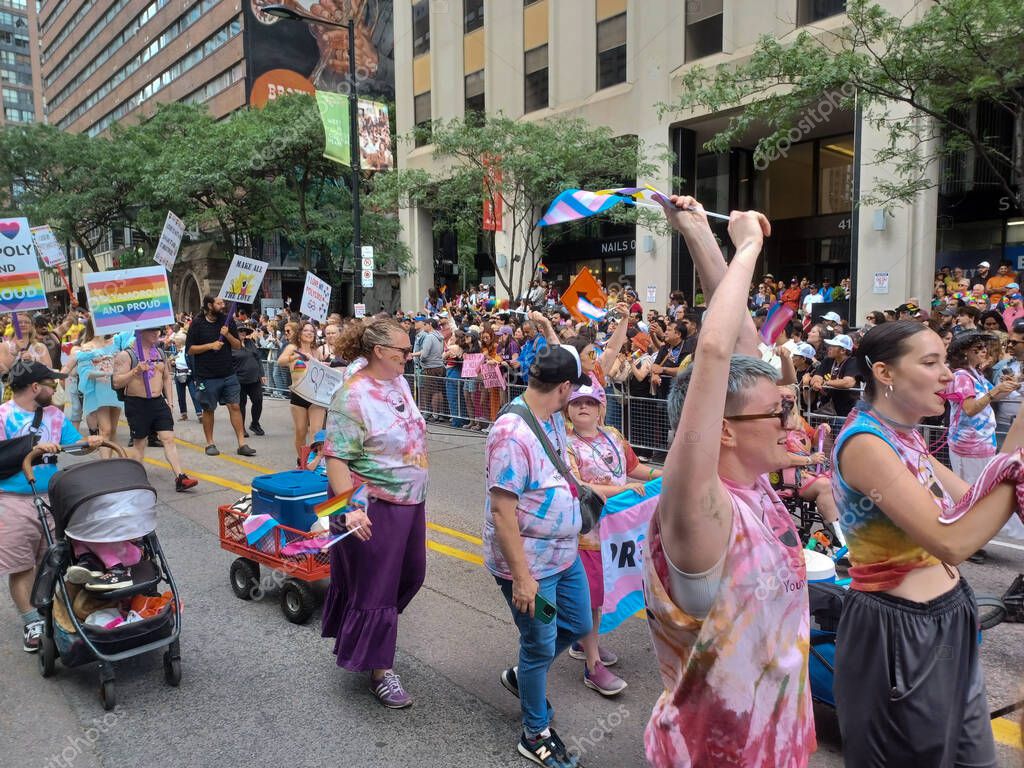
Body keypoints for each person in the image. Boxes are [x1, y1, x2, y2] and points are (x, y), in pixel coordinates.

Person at [644, 197, 815, 766]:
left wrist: (695, 232)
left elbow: (742, 345)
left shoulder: (753, 484)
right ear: (721, 431)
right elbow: (715, 352)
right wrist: (748, 247)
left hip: (780, 740)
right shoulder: (700, 512)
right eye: (778, 414)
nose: (791, 426)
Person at [830, 320, 1024, 765]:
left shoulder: (907, 435)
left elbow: (977, 499)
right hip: (899, 631)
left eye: (946, 362)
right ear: (886, 373)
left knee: (974, 760)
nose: (948, 376)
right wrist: (1016, 473)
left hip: (952, 616)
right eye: (931, 362)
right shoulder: (865, 443)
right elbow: (951, 543)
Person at [485, 344, 594, 768]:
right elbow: (501, 510)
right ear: (564, 387)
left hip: (563, 556)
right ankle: (535, 733)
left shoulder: (550, 417)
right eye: (576, 389)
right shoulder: (512, 434)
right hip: (532, 567)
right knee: (539, 643)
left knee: (580, 623)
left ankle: (521, 677)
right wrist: (523, 578)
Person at [321, 318, 428, 709]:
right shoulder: (352, 395)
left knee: (413, 574)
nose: (409, 356)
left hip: (412, 501)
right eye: (403, 350)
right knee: (380, 588)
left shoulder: (397, 381)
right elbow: (334, 458)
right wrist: (348, 509)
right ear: (380, 352)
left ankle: (370, 627)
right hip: (373, 506)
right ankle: (381, 671)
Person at [565, 384, 660, 698]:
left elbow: (634, 468)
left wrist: (662, 474)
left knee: (605, 592)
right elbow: (578, 487)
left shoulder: (614, 436)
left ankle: (583, 641)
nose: (584, 408)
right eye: (577, 402)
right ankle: (593, 667)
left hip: (619, 533)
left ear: (601, 408)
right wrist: (623, 491)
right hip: (588, 535)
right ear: (567, 409)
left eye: (591, 402)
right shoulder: (565, 445)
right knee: (592, 598)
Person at [0, 362, 102, 652]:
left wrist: (90, 443)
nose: (56, 389)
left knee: (52, 559)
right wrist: (33, 448)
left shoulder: (55, 416)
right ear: (35, 387)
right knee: (21, 565)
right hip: (12, 499)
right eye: (51, 384)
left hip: (52, 498)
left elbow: (75, 444)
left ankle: (53, 610)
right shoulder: (4, 415)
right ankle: (31, 620)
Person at [111, 328, 198, 492]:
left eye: (157, 330)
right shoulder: (126, 355)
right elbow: (117, 382)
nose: (156, 333)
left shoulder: (159, 352)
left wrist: (170, 402)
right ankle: (135, 479)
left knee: (168, 439)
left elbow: (166, 377)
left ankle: (180, 477)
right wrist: (135, 371)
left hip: (158, 402)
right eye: (151, 331)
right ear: (140, 333)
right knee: (139, 444)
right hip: (137, 403)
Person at [184, 295, 256, 457]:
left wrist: (228, 334)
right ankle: (210, 443)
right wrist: (211, 346)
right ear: (210, 305)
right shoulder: (197, 323)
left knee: (235, 406)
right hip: (207, 376)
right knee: (208, 409)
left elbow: (238, 345)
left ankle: (242, 443)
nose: (223, 306)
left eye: (223, 303)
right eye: (219, 303)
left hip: (228, 374)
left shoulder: (227, 320)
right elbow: (190, 349)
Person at [277, 321, 327, 462]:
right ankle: (302, 459)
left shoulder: (317, 351)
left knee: (315, 432)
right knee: (300, 431)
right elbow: (280, 361)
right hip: (298, 395)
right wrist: (295, 357)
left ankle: (313, 461)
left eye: (312, 331)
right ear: (299, 333)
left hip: (316, 397)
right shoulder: (293, 347)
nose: (309, 333)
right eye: (306, 330)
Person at [233, 324, 266, 437]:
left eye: (244, 331)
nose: (242, 332)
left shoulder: (250, 343)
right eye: (240, 330)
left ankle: (255, 424)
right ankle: (241, 427)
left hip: (254, 378)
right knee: (241, 404)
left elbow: (258, 358)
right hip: (239, 380)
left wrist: (262, 374)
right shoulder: (231, 346)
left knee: (258, 401)